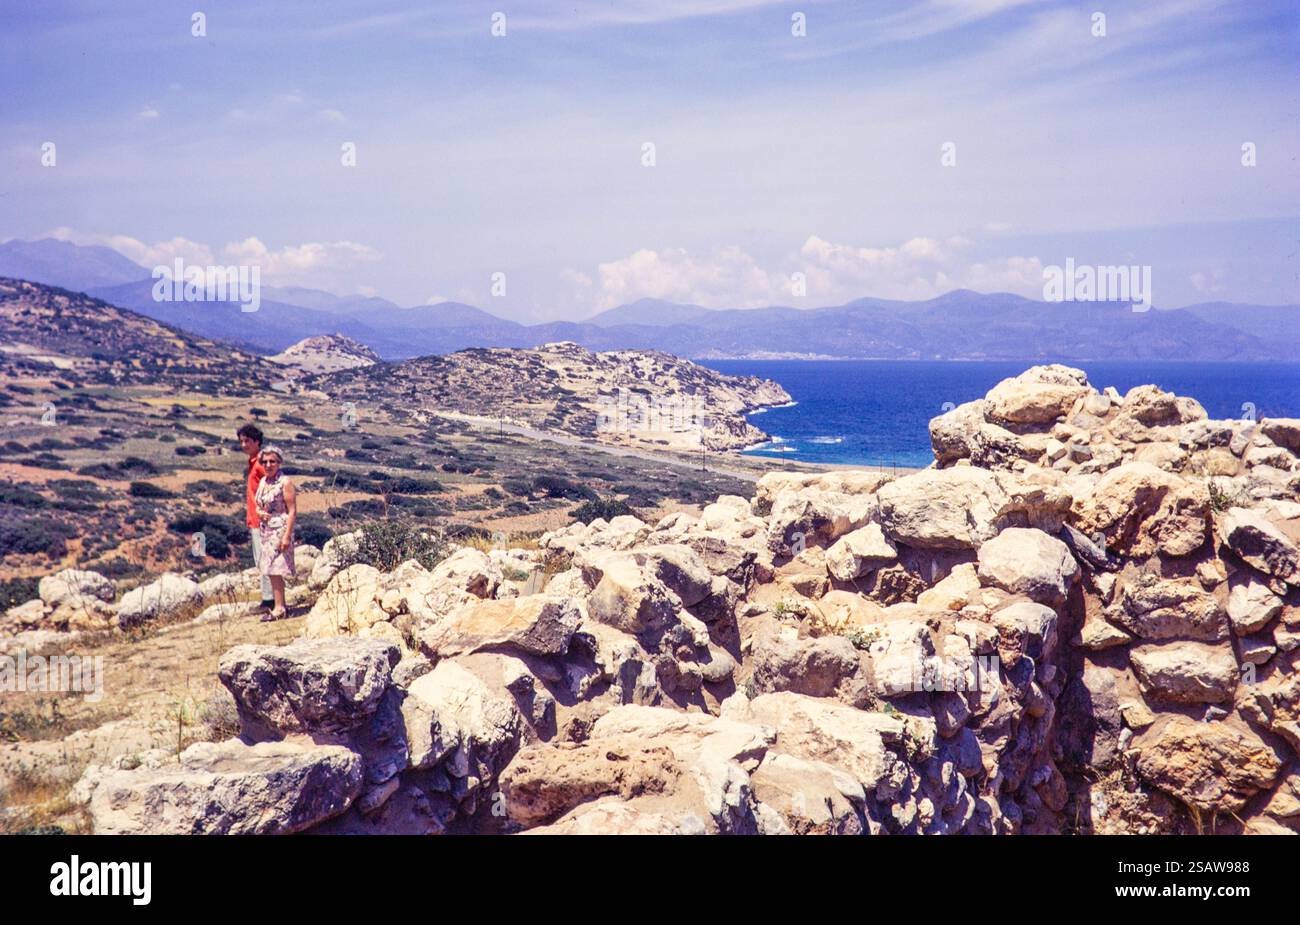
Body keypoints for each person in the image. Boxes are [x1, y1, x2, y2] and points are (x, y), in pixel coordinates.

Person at [253, 445, 297, 621]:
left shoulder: (285, 483)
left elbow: (292, 511)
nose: (268, 464)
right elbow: (258, 504)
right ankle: (280, 606)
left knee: (276, 567)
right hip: (266, 529)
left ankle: (280, 608)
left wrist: (287, 536)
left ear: (279, 462)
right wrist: (259, 512)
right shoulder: (264, 481)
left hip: (280, 529)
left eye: (272, 461)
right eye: (265, 462)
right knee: (270, 568)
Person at [236, 422, 275, 611]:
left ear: (257, 442)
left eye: (247, 441)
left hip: (261, 520)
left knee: (264, 560)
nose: (244, 445)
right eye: (241, 441)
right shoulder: (253, 462)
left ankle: (269, 600)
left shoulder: (260, 463)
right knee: (261, 559)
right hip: (255, 518)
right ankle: (269, 598)